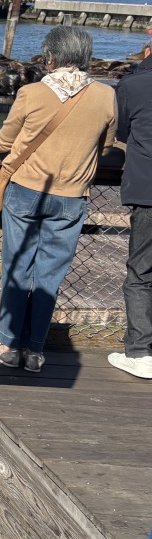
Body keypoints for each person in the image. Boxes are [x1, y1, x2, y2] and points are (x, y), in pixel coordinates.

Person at [0, 26, 115, 373]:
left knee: (17, 268)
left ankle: (8, 344)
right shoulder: (105, 95)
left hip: (26, 190)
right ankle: (35, 351)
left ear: (51, 57)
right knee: (49, 276)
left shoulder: (31, 93)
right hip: (72, 196)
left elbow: (3, 142)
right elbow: (105, 146)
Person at [110, 38, 152, 379]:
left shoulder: (133, 85)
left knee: (141, 273)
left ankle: (140, 351)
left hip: (148, 190)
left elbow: (121, 131)